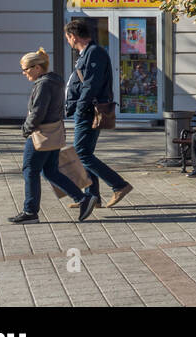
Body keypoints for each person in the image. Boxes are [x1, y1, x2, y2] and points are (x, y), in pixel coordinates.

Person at [10, 48, 96, 224]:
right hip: (55, 132)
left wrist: (26, 129)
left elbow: (37, 112)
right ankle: (82, 199)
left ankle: (30, 211)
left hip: (41, 134)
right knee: (50, 171)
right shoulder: (55, 82)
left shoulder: (43, 85)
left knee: (30, 170)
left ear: (37, 68)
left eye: (26, 69)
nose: (24, 73)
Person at [64, 18, 132, 208]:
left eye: (68, 38)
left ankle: (119, 185)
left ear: (73, 36)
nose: (68, 41)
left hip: (88, 111)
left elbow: (90, 85)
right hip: (85, 109)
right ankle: (92, 196)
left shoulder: (95, 53)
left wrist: (79, 107)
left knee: (82, 153)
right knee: (85, 153)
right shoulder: (87, 53)